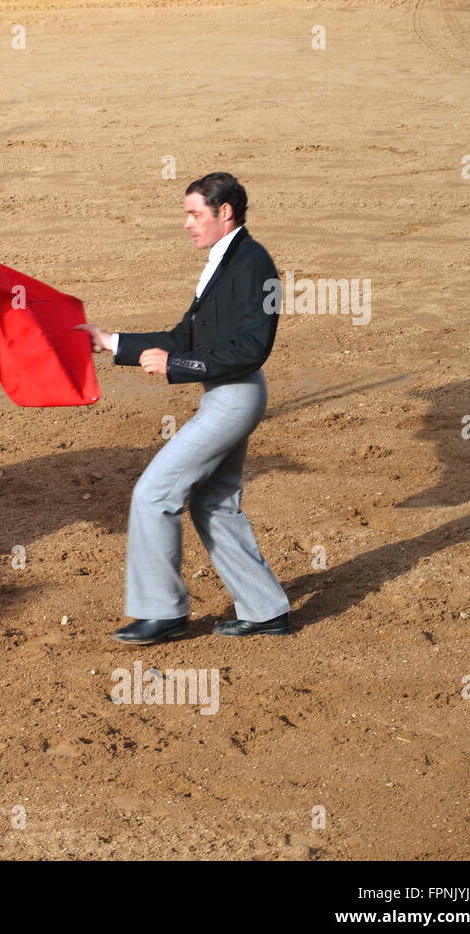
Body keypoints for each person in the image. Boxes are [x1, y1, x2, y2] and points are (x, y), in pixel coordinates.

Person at [79, 172, 292, 645]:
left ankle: (163, 612)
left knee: (154, 494)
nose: (187, 224)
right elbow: (185, 337)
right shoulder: (226, 259)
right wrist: (109, 342)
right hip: (227, 393)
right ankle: (264, 609)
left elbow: (254, 347)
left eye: (195, 214)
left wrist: (178, 364)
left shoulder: (252, 264)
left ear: (225, 213)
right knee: (215, 501)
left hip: (235, 397)